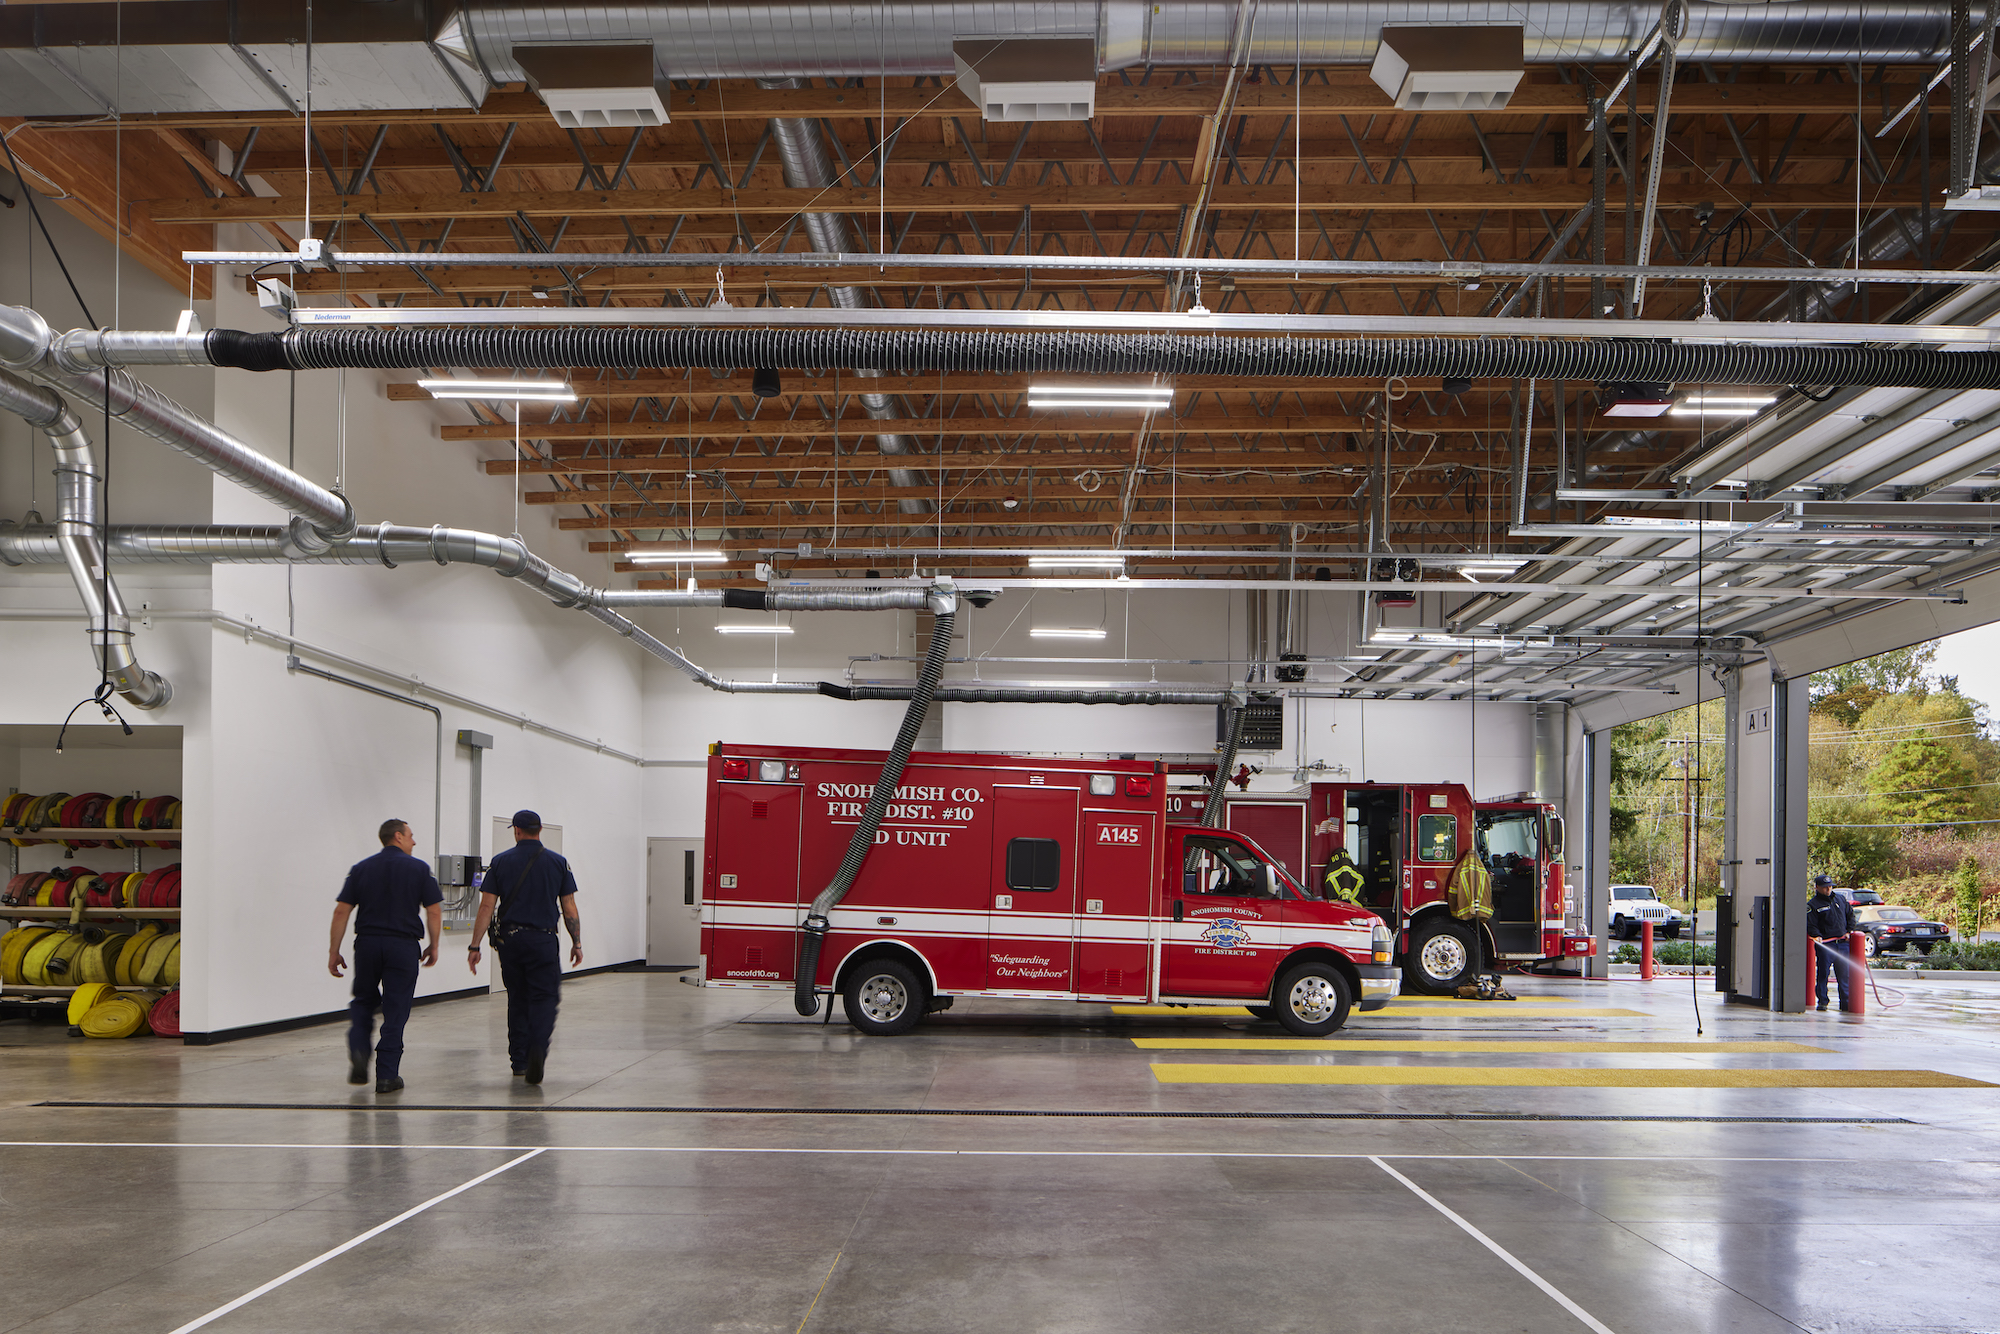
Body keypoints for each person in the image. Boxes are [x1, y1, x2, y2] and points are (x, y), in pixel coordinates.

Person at [467, 809, 581, 1085]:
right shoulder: (558, 863)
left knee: (517, 998)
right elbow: (569, 907)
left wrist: (475, 945)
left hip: (512, 942)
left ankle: (519, 1061)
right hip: (543, 940)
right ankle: (537, 1049)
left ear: (517, 831)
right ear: (539, 830)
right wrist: (576, 942)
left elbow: (486, 906)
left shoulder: (500, 862)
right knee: (544, 999)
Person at [329, 818, 442, 1094]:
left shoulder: (361, 868)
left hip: (367, 944)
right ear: (398, 837)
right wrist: (434, 944)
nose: (414, 841)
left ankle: (358, 1050)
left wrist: (334, 951)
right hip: (402, 947)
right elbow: (434, 910)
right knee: (396, 1009)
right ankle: (387, 1076)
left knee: (363, 1001)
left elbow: (341, 911)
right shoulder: (419, 869)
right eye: (411, 835)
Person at [1806, 872, 1858, 1012]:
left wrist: (1849, 931)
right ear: (1817, 887)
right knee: (1823, 974)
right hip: (1826, 945)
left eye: (1830, 886)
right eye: (1824, 887)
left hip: (1842, 944)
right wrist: (1816, 935)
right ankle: (1822, 1001)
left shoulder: (1840, 900)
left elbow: (1850, 916)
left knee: (1844, 975)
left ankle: (1845, 1003)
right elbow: (1811, 924)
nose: (1828, 889)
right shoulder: (1812, 905)